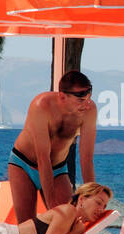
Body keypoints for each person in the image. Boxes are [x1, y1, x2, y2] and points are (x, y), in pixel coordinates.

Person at [8, 70, 98, 222]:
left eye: (89, 98)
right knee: (27, 228)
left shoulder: (89, 111)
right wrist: (52, 205)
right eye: (81, 100)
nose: (87, 104)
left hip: (57, 169)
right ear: (62, 96)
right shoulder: (41, 106)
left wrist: (93, 197)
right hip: (23, 165)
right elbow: (43, 158)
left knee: (70, 224)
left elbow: (86, 159)